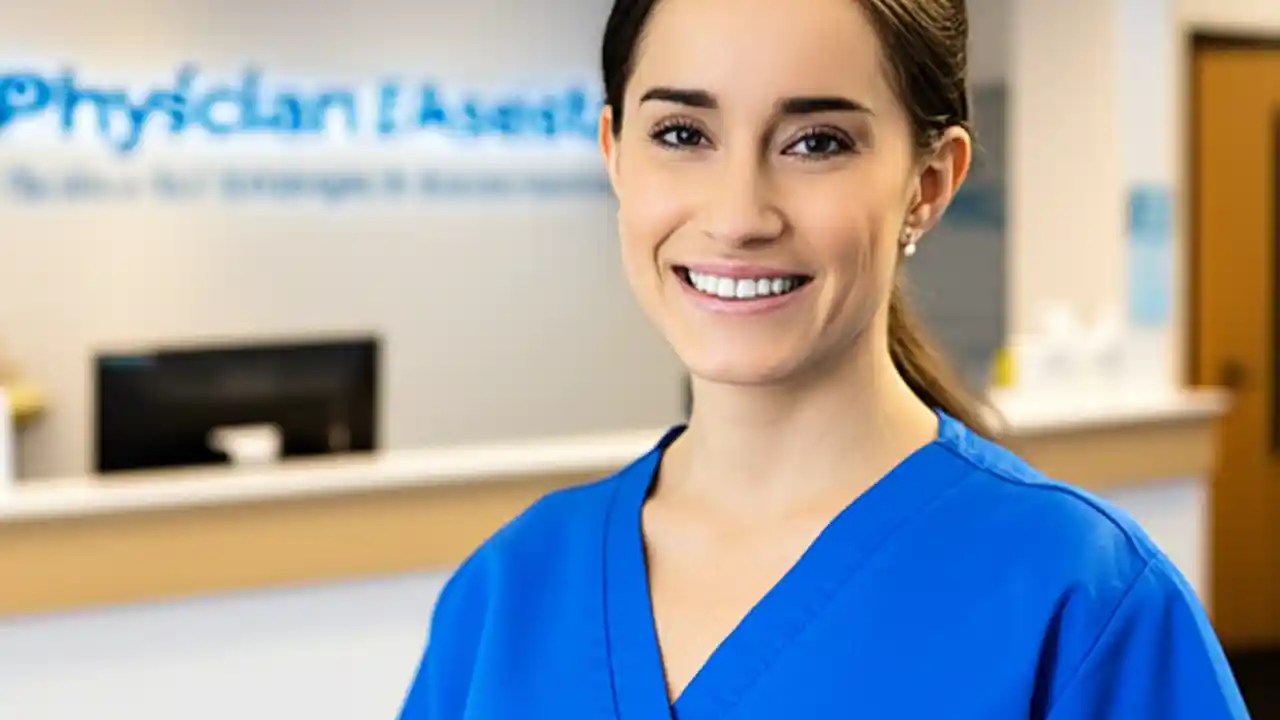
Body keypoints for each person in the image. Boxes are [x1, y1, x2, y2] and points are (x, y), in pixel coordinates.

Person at [398, 0, 1249, 717]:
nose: (738, 216)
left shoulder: (1083, 604)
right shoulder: (510, 593)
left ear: (928, 183)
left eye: (817, 143)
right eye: (684, 132)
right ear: (616, 153)